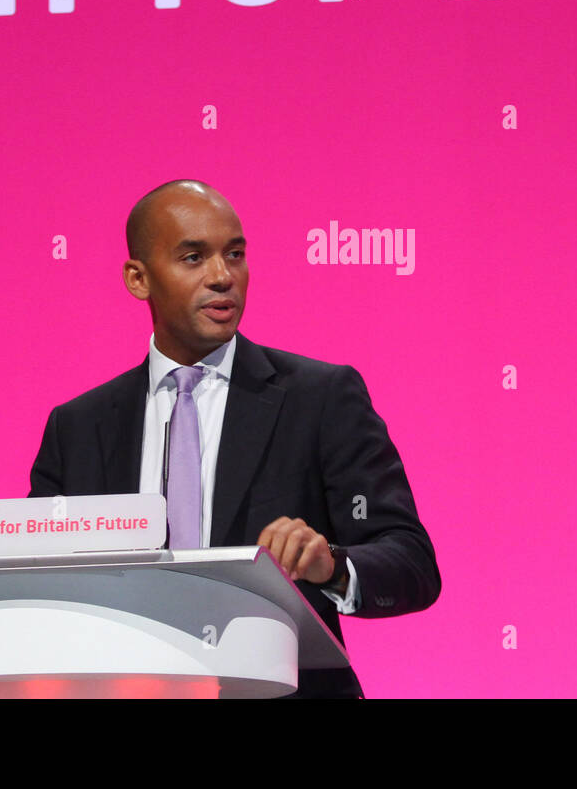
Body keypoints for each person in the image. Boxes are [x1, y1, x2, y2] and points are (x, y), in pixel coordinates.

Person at [28, 179, 440, 697]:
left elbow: (411, 563)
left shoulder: (320, 398)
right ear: (139, 278)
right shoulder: (79, 428)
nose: (224, 277)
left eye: (236, 254)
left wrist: (331, 564)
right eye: (193, 257)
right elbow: (40, 588)